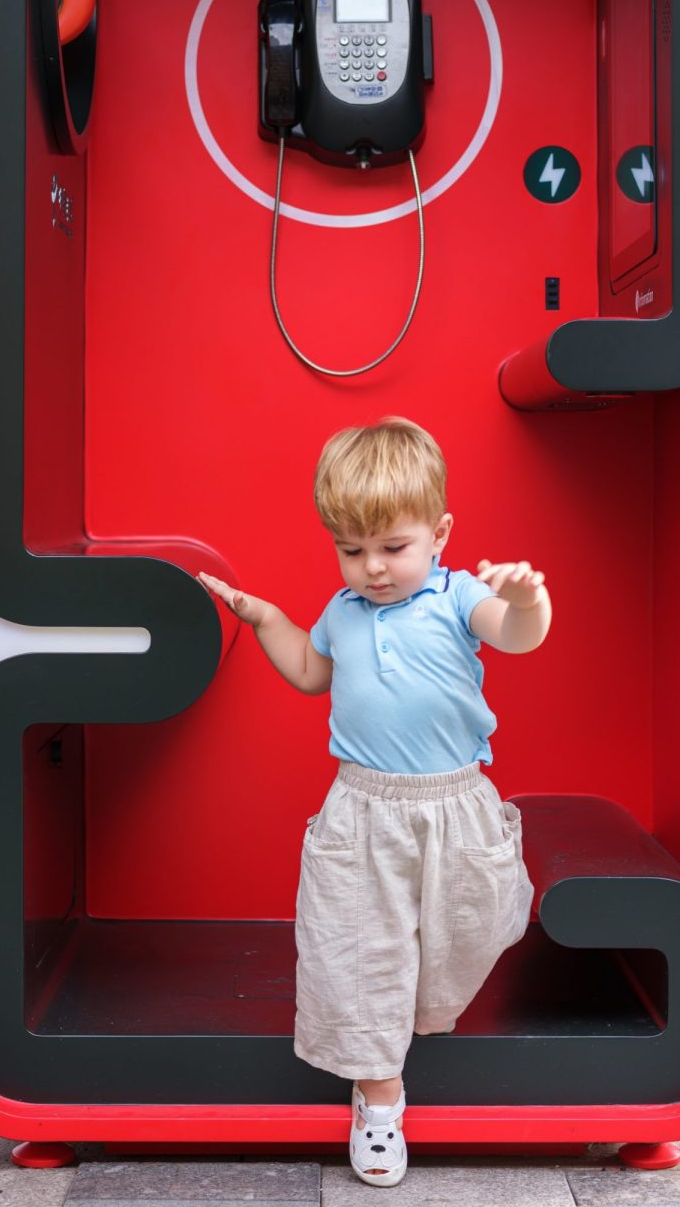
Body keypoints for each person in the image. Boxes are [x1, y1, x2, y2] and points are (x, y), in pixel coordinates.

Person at [199, 416, 550, 1187]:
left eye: (393, 547)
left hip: (456, 807)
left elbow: (518, 635)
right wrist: (263, 618)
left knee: (467, 933)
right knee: (357, 956)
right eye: (351, 551)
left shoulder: (460, 600)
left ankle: (410, 1021)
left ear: (440, 532)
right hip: (361, 810)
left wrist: (526, 599)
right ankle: (379, 1101)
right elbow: (306, 669)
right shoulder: (343, 613)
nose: (373, 569)